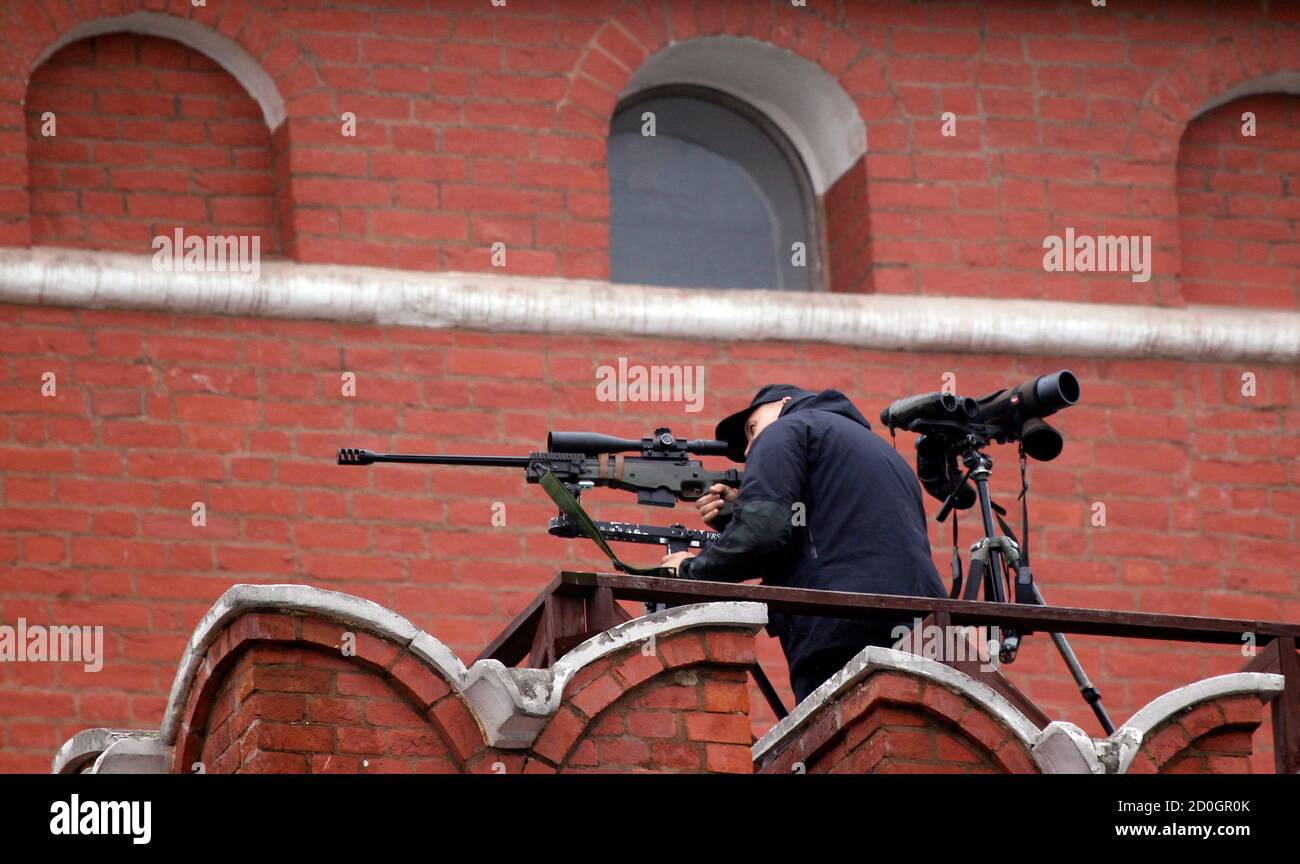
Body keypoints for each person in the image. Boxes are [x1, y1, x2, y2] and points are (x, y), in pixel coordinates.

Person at [659, 384, 947, 704]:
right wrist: (736, 517)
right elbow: (831, 529)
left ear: (784, 403)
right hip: (925, 624)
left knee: (835, 744)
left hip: (838, 625)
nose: (749, 449)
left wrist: (686, 571)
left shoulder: (786, 428)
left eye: (752, 430)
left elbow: (759, 537)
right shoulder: (882, 453)